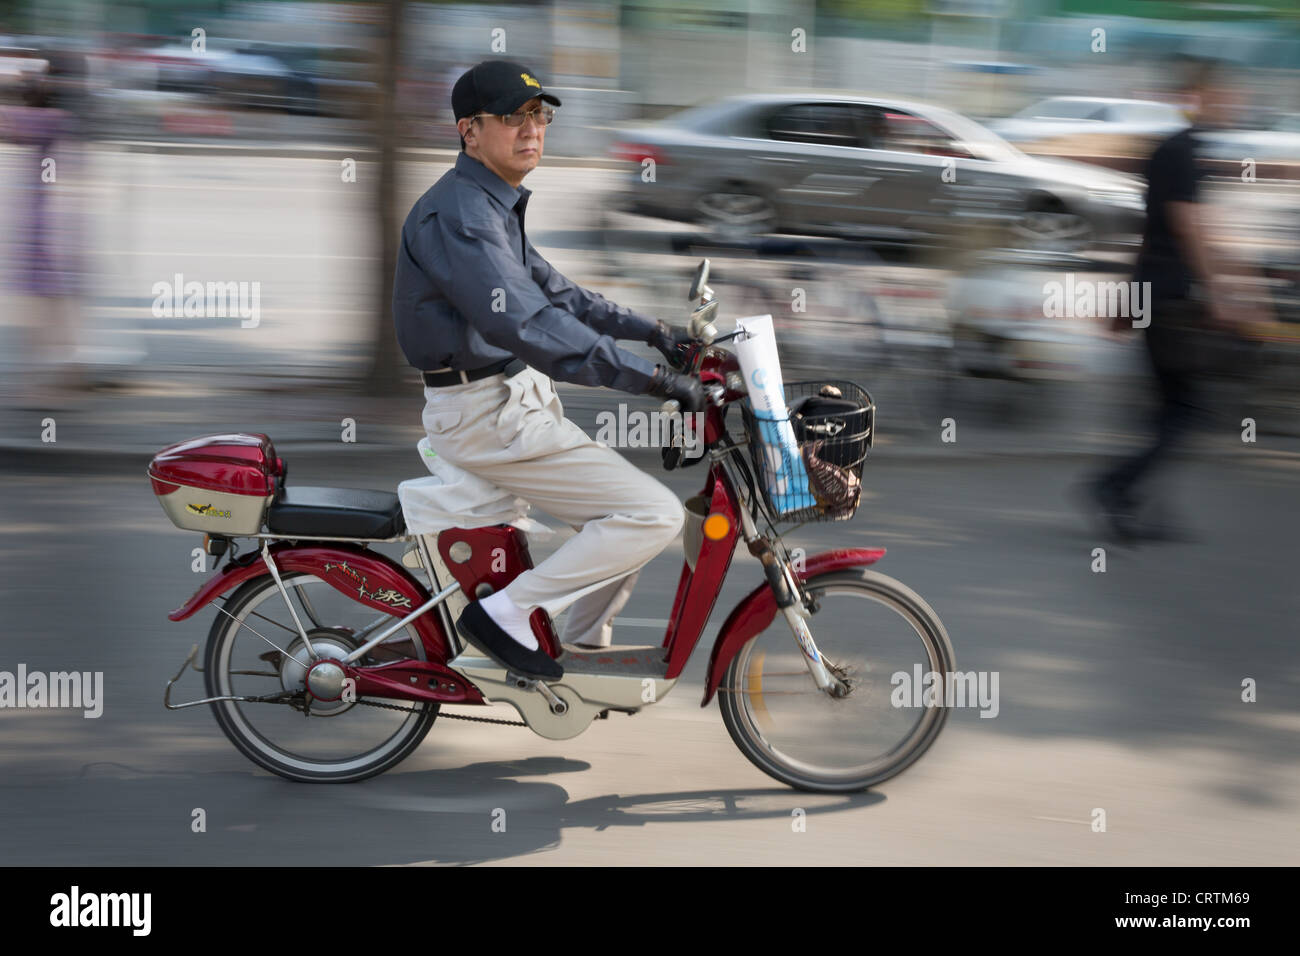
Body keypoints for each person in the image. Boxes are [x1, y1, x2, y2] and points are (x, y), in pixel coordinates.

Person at [392, 59, 705, 680]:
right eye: (513, 117)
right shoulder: (462, 215)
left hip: (507, 404)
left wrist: (658, 335)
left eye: (540, 115)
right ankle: (507, 616)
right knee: (651, 515)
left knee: (619, 511)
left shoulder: (488, 201)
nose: (532, 128)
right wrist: (654, 382)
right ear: (469, 131)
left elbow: (560, 295)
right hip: (487, 414)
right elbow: (527, 324)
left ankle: (584, 648)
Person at [1083, 56, 1269, 543]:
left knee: (1170, 408)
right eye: (1226, 96)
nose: (1233, 104)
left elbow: (1156, 234)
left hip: (1156, 294)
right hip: (1174, 301)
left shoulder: (1172, 149)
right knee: (1186, 411)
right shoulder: (1184, 151)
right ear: (1201, 96)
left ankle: (1138, 502)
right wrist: (1222, 295)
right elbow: (1187, 229)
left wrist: (1128, 301)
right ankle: (1115, 487)